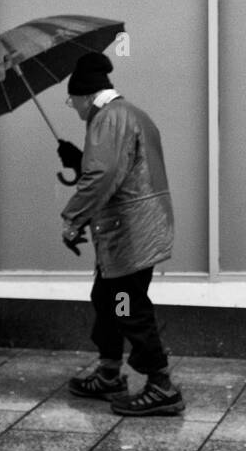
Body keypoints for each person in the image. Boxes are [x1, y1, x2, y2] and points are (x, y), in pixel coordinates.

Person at [55, 51, 184, 416]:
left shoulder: (108, 120)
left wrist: (72, 218)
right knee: (107, 298)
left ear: (84, 95)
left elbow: (103, 176)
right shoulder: (129, 114)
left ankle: (161, 386)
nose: (73, 108)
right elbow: (119, 168)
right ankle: (110, 372)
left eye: (71, 101)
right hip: (136, 225)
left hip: (129, 230)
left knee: (128, 305)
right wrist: (78, 159)